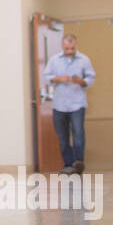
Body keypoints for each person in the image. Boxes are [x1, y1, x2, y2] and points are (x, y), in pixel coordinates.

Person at [42, 33, 95, 174]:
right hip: (59, 104)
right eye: (67, 48)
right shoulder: (54, 60)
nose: (70, 51)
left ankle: (78, 162)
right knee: (63, 137)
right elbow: (46, 77)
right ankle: (68, 164)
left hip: (77, 103)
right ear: (62, 46)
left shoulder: (84, 60)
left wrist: (81, 81)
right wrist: (58, 78)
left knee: (78, 134)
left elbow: (90, 78)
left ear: (75, 45)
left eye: (72, 48)